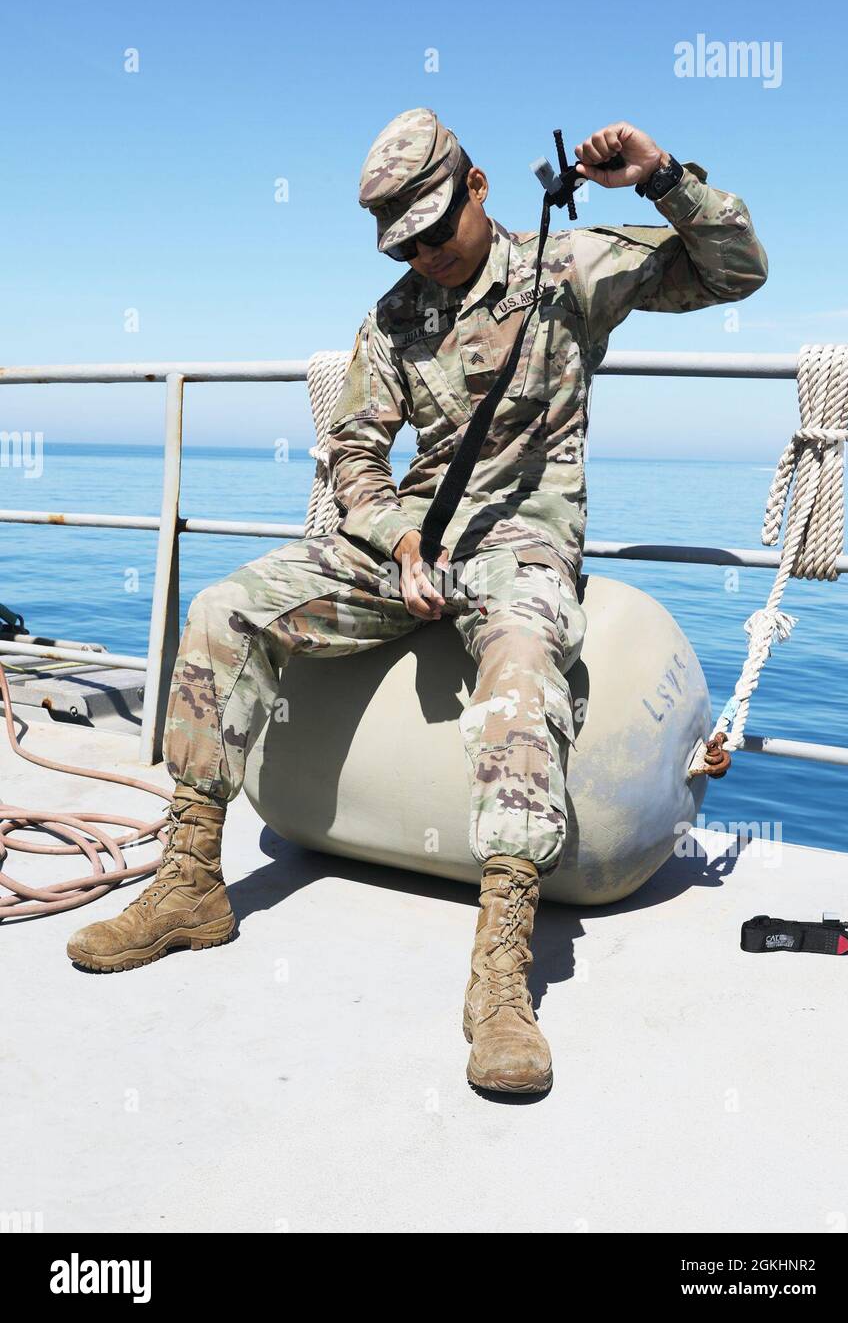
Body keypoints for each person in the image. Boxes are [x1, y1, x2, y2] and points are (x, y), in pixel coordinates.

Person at [67, 108, 767, 1095]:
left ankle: (501, 974)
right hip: (408, 543)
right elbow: (355, 453)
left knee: (522, 667)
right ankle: (189, 882)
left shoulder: (568, 268)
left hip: (522, 542)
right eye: (404, 243)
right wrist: (398, 541)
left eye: (435, 230)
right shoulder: (393, 319)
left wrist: (660, 178)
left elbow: (737, 272)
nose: (425, 255)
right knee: (224, 609)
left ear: (477, 186)